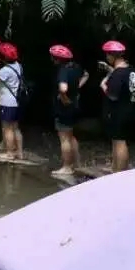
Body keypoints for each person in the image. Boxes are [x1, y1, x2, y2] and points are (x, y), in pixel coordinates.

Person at [99, 40, 135, 172]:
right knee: (119, 141)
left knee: (119, 143)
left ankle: (120, 173)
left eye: (107, 55)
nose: (106, 57)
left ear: (112, 56)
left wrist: (104, 85)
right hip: (129, 109)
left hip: (118, 113)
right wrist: (110, 70)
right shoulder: (130, 69)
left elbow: (112, 95)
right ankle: (116, 170)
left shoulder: (118, 74)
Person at [50, 44, 87, 179]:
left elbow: (63, 88)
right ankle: (76, 164)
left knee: (64, 138)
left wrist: (64, 97)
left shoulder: (63, 71)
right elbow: (86, 75)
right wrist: (76, 88)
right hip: (75, 106)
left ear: (57, 59)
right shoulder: (76, 67)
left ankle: (67, 167)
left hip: (64, 108)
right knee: (71, 136)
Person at [0, 42, 25, 162]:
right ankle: (19, 152)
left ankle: (10, 153)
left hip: (7, 103)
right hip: (17, 102)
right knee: (16, 128)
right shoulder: (18, 66)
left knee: (7, 128)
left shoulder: (5, 70)